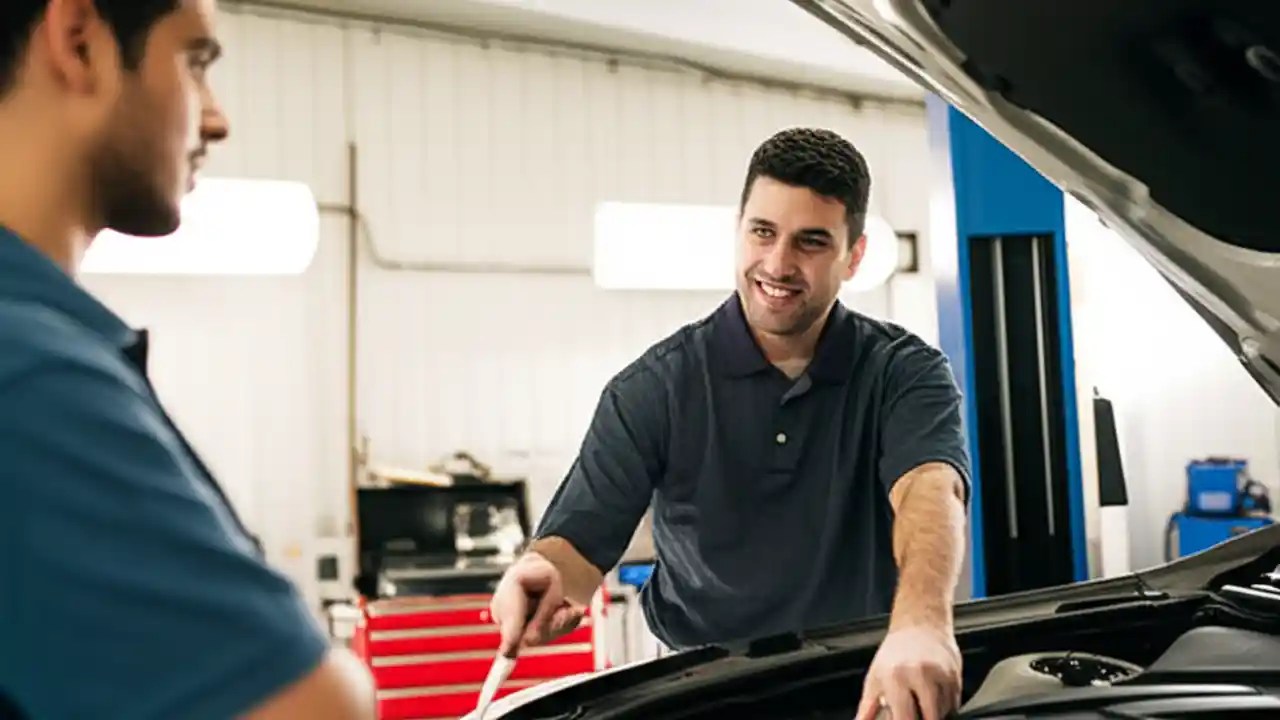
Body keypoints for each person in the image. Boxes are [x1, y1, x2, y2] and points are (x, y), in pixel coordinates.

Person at [491, 127, 971, 720]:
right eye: (763, 232)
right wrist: (541, 574)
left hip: (864, 690)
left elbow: (929, 490)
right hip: (701, 693)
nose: (778, 263)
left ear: (855, 257)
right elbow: (576, 550)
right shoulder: (656, 387)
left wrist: (922, 623)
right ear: (738, 230)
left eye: (811, 242)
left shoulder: (903, 372)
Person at [0, 2, 374, 718]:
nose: (216, 118)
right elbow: (311, 708)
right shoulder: (28, 372)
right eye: (195, 62)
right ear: (80, 42)